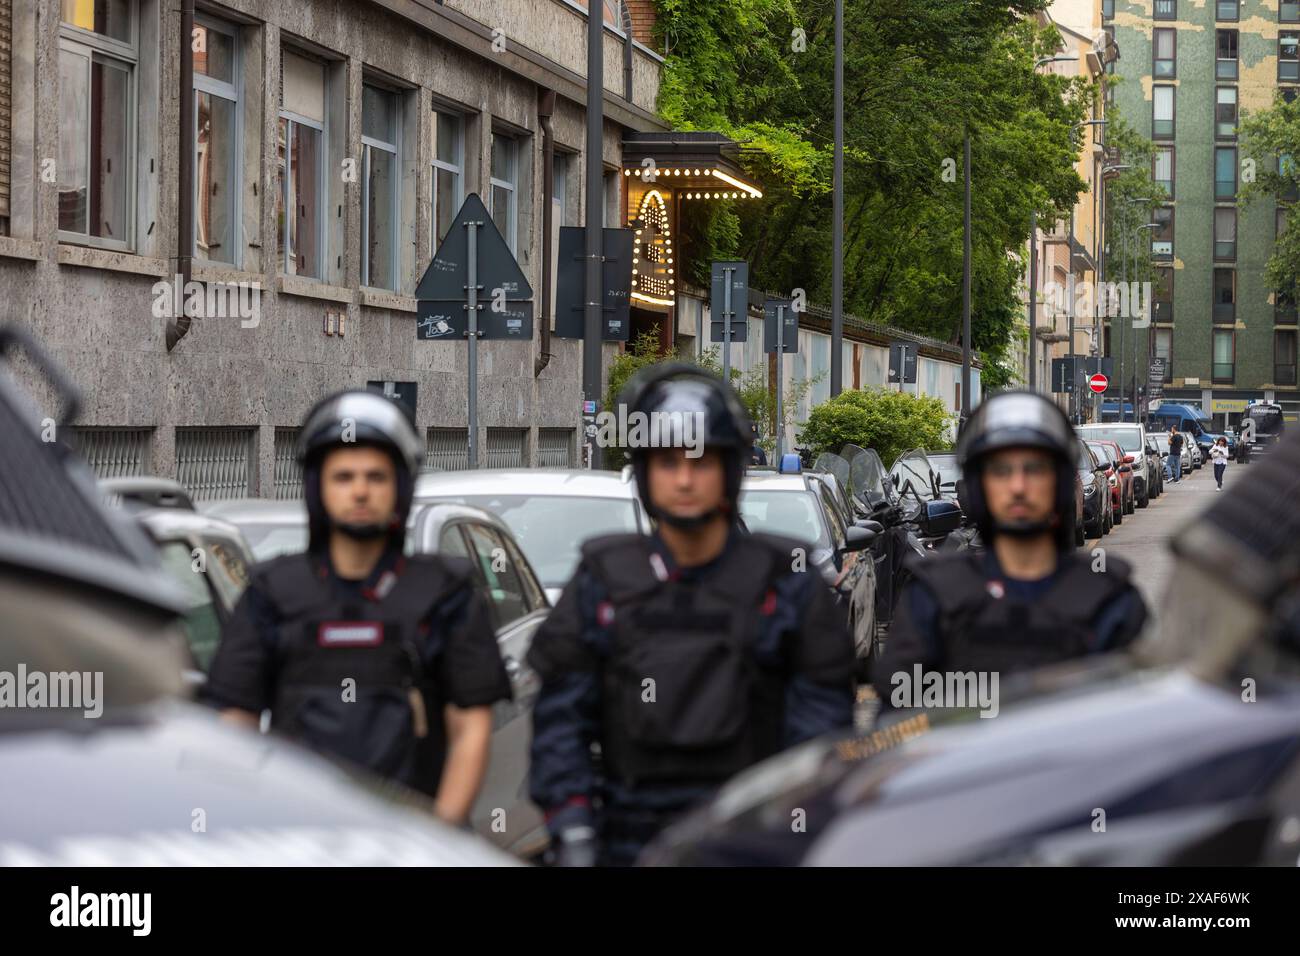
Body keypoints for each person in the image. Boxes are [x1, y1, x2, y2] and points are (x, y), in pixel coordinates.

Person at [527, 364, 856, 866]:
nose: (684, 479)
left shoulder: (784, 580)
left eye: (700, 462)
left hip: (754, 834)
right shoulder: (604, 577)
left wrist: (794, 828)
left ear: (729, 470)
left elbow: (821, 730)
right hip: (628, 839)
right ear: (644, 471)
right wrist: (572, 827)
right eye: (667, 463)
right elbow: (561, 725)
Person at [202, 390, 511, 824]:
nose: (361, 491)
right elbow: (235, 725)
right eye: (343, 477)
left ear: (401, 486)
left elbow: (470, 729)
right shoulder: (273, 592)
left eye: (376, 477)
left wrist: (436, 838)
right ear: (317, 486)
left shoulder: (446, 593)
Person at [873, 391, 1149, 708]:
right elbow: (896, 729)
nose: (1018, 487)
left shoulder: (1109, 601)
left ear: (1059, 482)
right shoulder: (933, 598)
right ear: (978, 486)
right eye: (1001, 471)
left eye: (1034, 469)